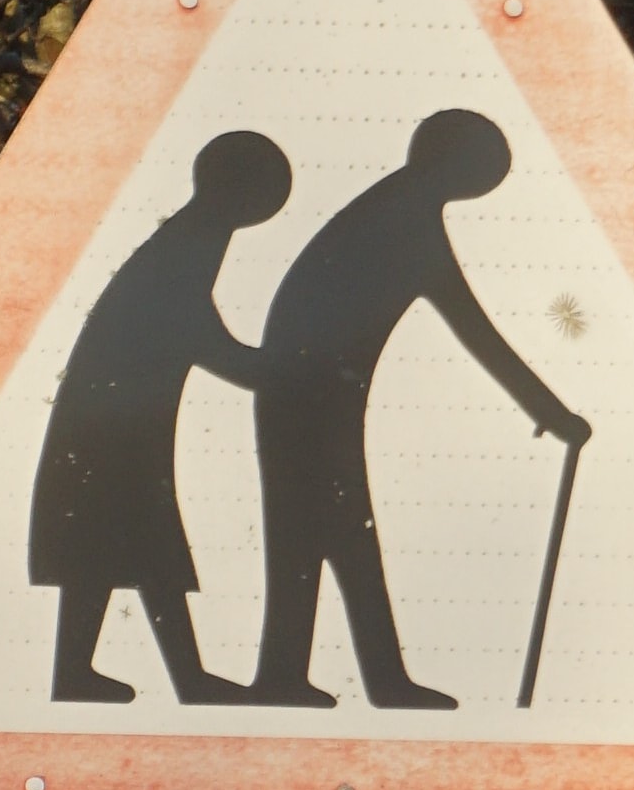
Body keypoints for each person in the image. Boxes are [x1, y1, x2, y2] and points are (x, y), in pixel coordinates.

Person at [248, 110, 589, 709]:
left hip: (309, 395)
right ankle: (343, 679)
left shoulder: (394, 209)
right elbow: (475, 330)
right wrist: (553, 413)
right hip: (309, 398)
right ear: (455, 165)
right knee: (326, 536)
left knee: (329, 537)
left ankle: (330, 676)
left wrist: (550, 411)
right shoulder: (406, 223)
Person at [29, 130, 291, 702]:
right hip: (113, 420)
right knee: (118, 542)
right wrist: (275, 370)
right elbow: (193, 326)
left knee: (131, 545)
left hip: (121, 415)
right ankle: (120, 675)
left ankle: (169, 678)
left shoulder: (196, 231)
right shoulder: (192, 239)